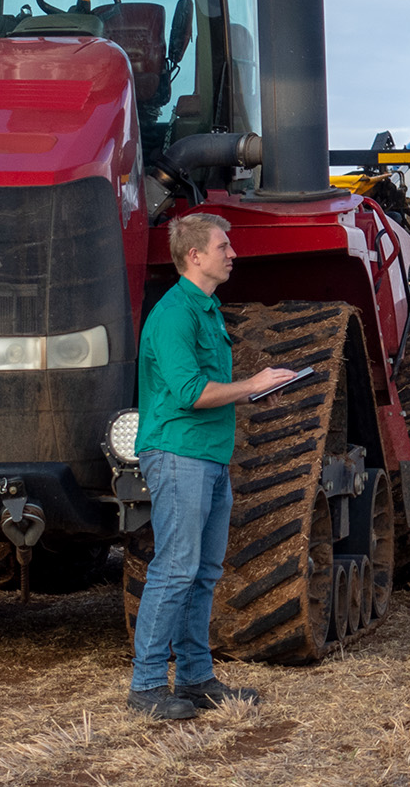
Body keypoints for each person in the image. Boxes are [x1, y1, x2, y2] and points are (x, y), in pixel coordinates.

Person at [127, 212, 294, 721]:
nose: (233, 253)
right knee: (176, 569)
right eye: (224, 246)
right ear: (194, 255)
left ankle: (196, 678)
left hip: (207, 455)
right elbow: (190, 392)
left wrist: (250, 392)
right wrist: (253, 384)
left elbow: (209, 392)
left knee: (201, 572)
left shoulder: (206, 310)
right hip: (179, 453)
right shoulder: (176, 314)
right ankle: (148, 686)